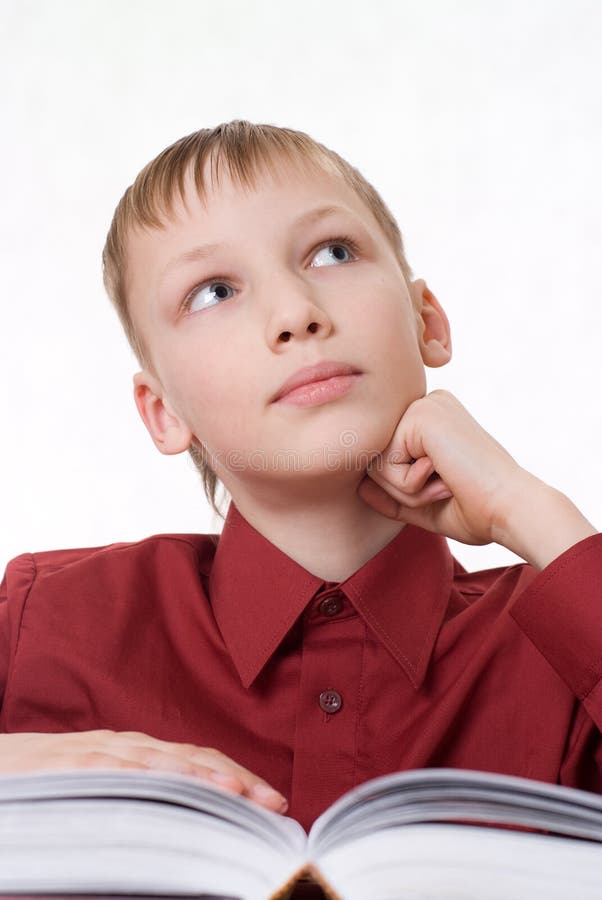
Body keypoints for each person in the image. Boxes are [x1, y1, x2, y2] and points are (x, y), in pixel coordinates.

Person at [1, 120, 600, 841]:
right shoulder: (40, 626)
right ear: (161, 413)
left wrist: (528, 508)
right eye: (213, 291)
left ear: (428, 321)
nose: (295, 315)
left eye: (332, 252)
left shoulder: (561, 644)